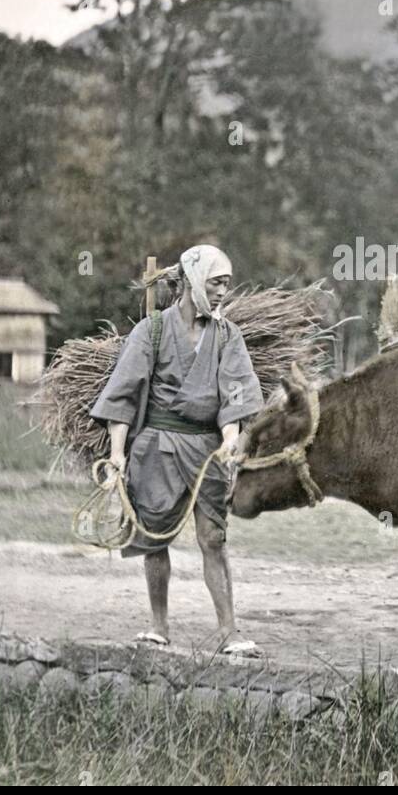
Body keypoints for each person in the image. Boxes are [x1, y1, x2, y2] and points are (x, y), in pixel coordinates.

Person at [89, 244, 265, 656]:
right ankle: (158, 626)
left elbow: (235, 391)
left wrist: (230, 436)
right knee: (154, 538)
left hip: (207, 449)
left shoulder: (227, 335)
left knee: (213, 538)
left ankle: (229, 632)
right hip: (156, 446)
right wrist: (118, 454)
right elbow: (124, 395)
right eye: (215, 282)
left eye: (226, 284)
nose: (223, 292)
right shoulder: (150, 331)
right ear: (191, 281)